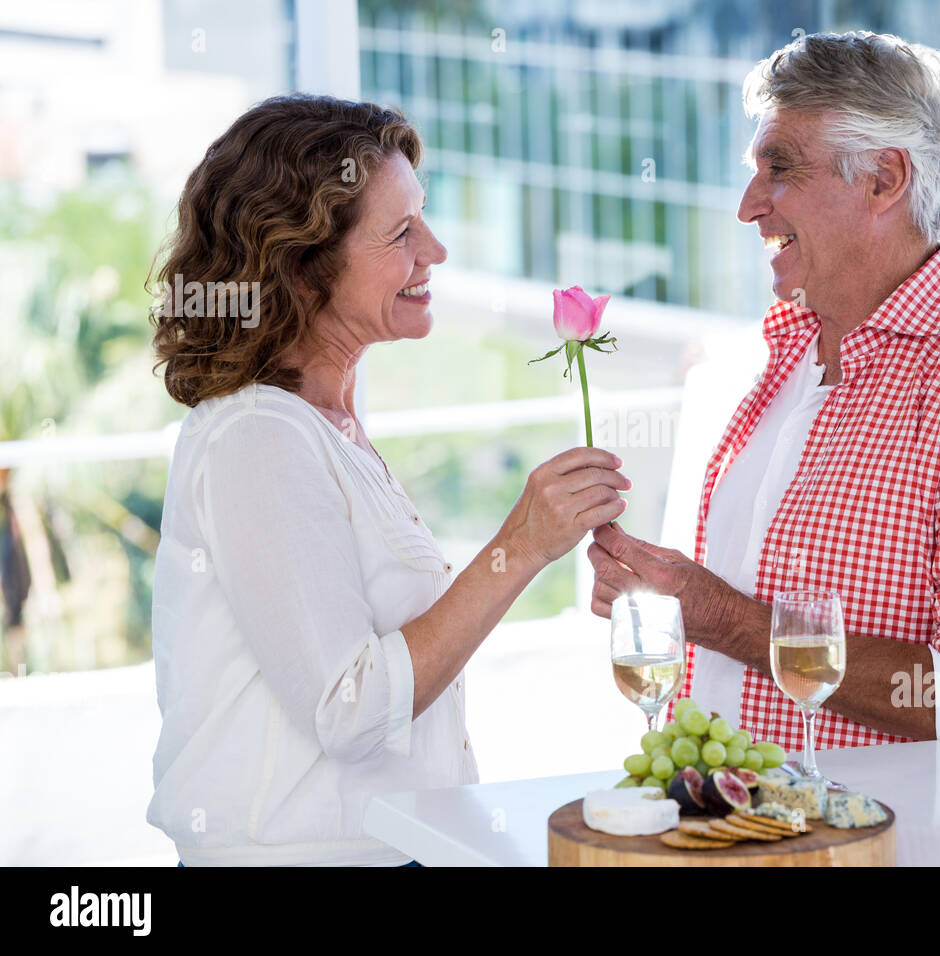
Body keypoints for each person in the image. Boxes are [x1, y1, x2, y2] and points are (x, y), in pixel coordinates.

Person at [587, 32, 940, 787]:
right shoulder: (775, 359)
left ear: (884, 179)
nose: (747, 206)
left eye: (779, 168)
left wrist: (722, 617)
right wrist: (666, 599)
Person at [147, 95, 629, 865]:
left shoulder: (327, 424)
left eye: (424, 219)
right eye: (402, 233)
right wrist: (523, 544)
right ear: (303, 270)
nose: (434, 251)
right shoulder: (259, 440)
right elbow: (351, 708)